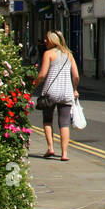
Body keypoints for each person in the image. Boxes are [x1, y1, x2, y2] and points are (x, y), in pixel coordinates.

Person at [33, 30, 79, 161]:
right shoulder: (69, 54)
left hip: (50, 92)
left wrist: (33, 86)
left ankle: (50, 148)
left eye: (47, 39)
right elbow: (76, 76)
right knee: (64, 122)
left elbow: (42, 75)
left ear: (53, 40)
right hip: (66, 92)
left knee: (47, 120)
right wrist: (75, 89)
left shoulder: (48, 54)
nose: (45, 41)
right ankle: (64, 154)